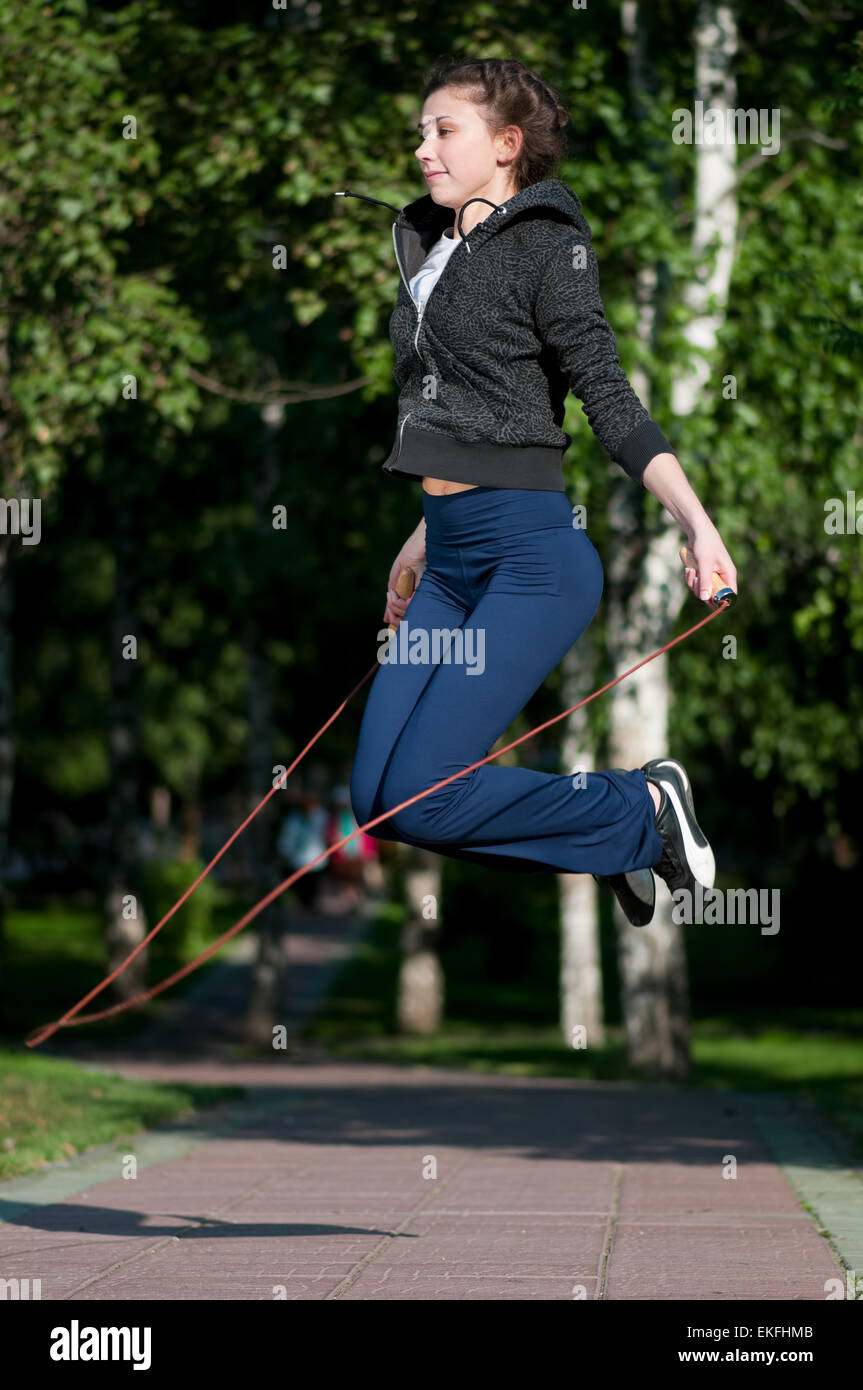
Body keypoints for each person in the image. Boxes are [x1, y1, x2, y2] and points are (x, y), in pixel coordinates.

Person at [348, 57, 737, 927]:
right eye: (419, 131)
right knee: (374, 798)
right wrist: (421, 535)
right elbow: (456, 405)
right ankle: (621, 834)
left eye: (443, 131)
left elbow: (603, 391)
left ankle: (636, 810)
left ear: (506, 144)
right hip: (445, 566)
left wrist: (696, 525)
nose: (421, 149)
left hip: (528, 563)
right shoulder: (430, 247)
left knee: (420, 794)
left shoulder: (543, 243)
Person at [277, 790, 329, 913]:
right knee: (301, 884)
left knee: (314, 883)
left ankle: (311, 904)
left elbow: (326, 833)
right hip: (299, 859)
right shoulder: (293, 818)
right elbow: (287, 836)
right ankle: (304, 904)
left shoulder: (321, 816)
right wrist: (285, 851)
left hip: (317, 858)